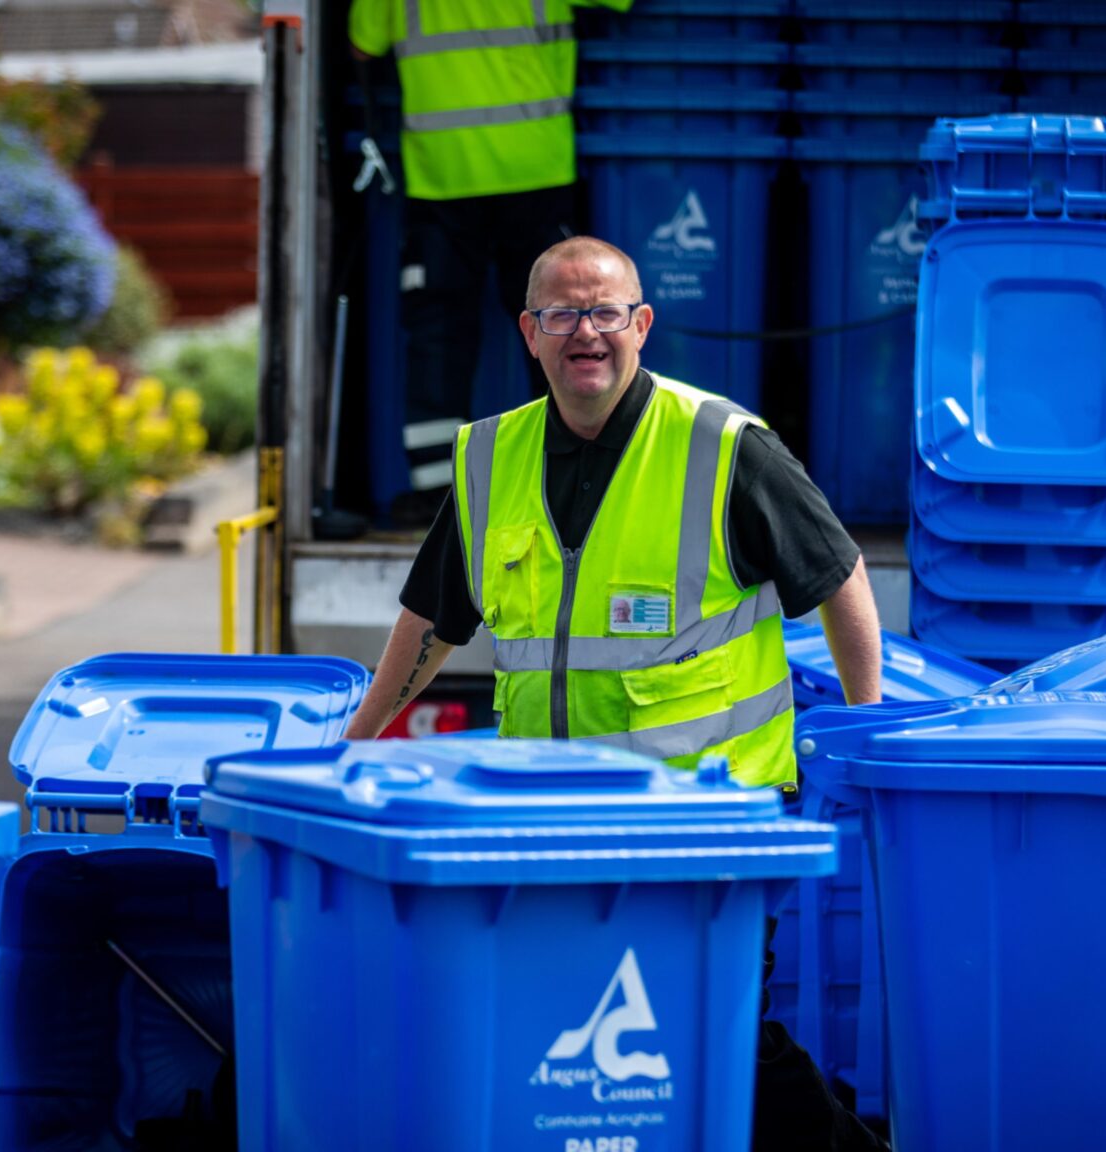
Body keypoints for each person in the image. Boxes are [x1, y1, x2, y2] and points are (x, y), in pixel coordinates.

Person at [344, 236, 889, 1150]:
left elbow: (841, 580)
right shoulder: (491, 458)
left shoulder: (720, 444)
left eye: (603, 312)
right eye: (561, 313)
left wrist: (863, 733)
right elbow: (436, 618)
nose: (584, 332)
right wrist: (354, 744)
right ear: (529, 332)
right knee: (576, 1042)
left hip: (706, 828)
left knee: (715, 1039)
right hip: (547, 824)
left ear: (641, 323)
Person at [348, 0, 631, 525]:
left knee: (437, 334)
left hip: (442, 177)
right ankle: (566, 483)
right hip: (536, 170)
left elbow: (362, 43)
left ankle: (436, 493)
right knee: (563, 331)